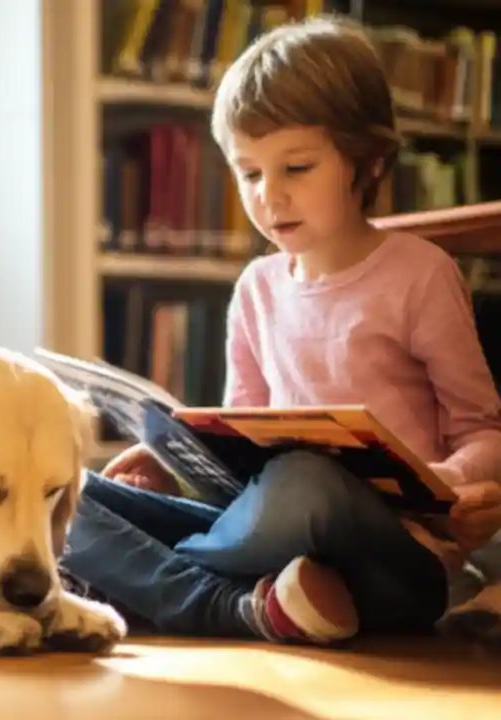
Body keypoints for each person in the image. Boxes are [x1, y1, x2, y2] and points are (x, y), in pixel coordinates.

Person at [59, 14, 501, 645]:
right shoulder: (257, 288)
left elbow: (483, 428)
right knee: (69, 495)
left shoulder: (421, 276)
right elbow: (243, 455)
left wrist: (453, 487)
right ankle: (238, 605)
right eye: (250, 173)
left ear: (366, 161)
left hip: (401, 558)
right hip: (273, 549)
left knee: (306, 483)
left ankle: (142, 583)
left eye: (296, 168)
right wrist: (177, 467)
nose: (269, 196)